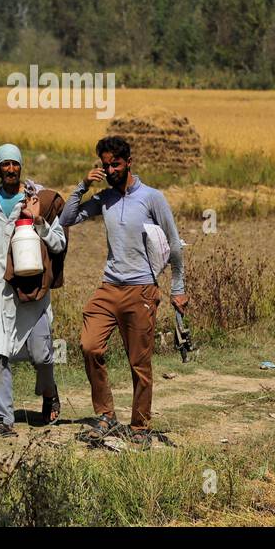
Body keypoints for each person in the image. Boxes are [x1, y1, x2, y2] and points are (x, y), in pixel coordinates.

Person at [59, 135, 186, 448]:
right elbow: (66, 218)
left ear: (129, 162)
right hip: (108, 286)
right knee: (89, 346)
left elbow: (174, 243)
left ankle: (140, 426)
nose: (110, 169)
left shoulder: (152, 197)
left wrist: (179, 287)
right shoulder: (104, 199)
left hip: (141, 289)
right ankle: (105, 416)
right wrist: (81, 186)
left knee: (139, 362)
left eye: (115, 163)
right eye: (105, 165)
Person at [0, 143, 67, 437]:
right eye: (5, 164)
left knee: (41, 354)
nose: (11, 169)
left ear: (21, 167)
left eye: (15, 164)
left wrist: (39, 222)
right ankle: (4, 419)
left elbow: (59, 244)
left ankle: (49, 393)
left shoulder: (36, 200)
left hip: (31, 292)